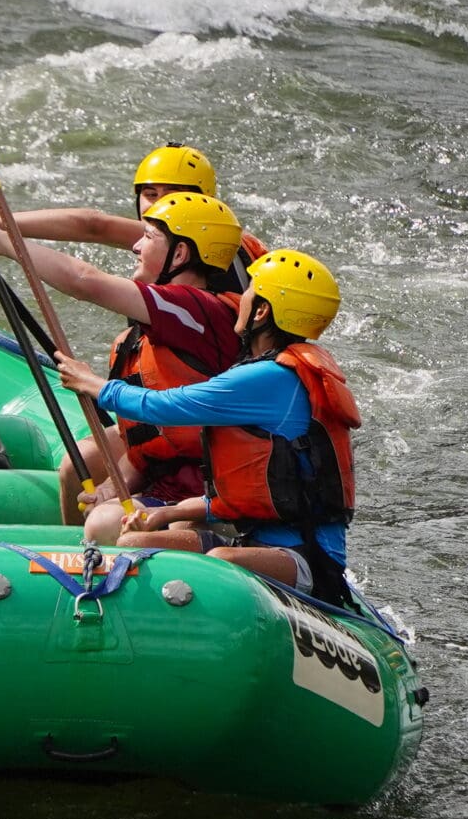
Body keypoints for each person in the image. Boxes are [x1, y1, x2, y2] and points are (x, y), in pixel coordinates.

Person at [55, 250, 363, 609]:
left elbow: (165, 406)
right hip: (254, 539)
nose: (240, 298)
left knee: (218, 565)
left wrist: (93, 384)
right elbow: (249, 492)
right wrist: (169, 513)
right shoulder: (270, 371)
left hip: (303, 557)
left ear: (262, 311)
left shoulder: (270, 379)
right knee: (130, 545)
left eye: (249, 293)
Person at [0, 192, 244, 534]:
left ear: (180, 254)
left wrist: (4, 242)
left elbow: (84, 281)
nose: (135, 246)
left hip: (214, 498)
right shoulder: (136, 339)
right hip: (168, 485)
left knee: (104, 522)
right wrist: (109, 488)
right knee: (89, 486)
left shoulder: (199, 313)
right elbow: (145, 444)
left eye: (148, 238)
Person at [4, 143, 268, 288]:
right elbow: (94, 226)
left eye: (172, 195)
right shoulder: (199, 236)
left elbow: (85, 275)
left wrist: (1, 239)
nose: (157, 206)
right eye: (150, 194)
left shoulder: (195, 256)